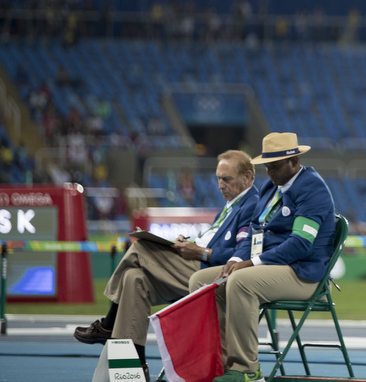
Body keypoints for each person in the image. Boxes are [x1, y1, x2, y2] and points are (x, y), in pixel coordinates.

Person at [74, 150, 259, 379]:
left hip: (209, 274)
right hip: (195, 265)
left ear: (248, 177)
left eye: (226, 179)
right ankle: (135, 368)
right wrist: (189, 244)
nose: (220, 185)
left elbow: (241, 255)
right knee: (134, 278)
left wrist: (200, 252)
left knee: (140, 248)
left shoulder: (252, 205)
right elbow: (214, 241)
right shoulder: (230, 205)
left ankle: (109, 324)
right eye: (218, 178)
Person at [189, 132, 336, 382]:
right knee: (201, 282)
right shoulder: (271, 187)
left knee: (241, 282)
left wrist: (251, 263)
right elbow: (254, 233)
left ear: (295, 161)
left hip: (303, 272)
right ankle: (221, 363)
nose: (270, 171)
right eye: (267, 165)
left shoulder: (311, 189)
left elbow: (300, 244)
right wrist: (235, 260)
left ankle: (247, 370)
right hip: (275, 266)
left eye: (275, 166)